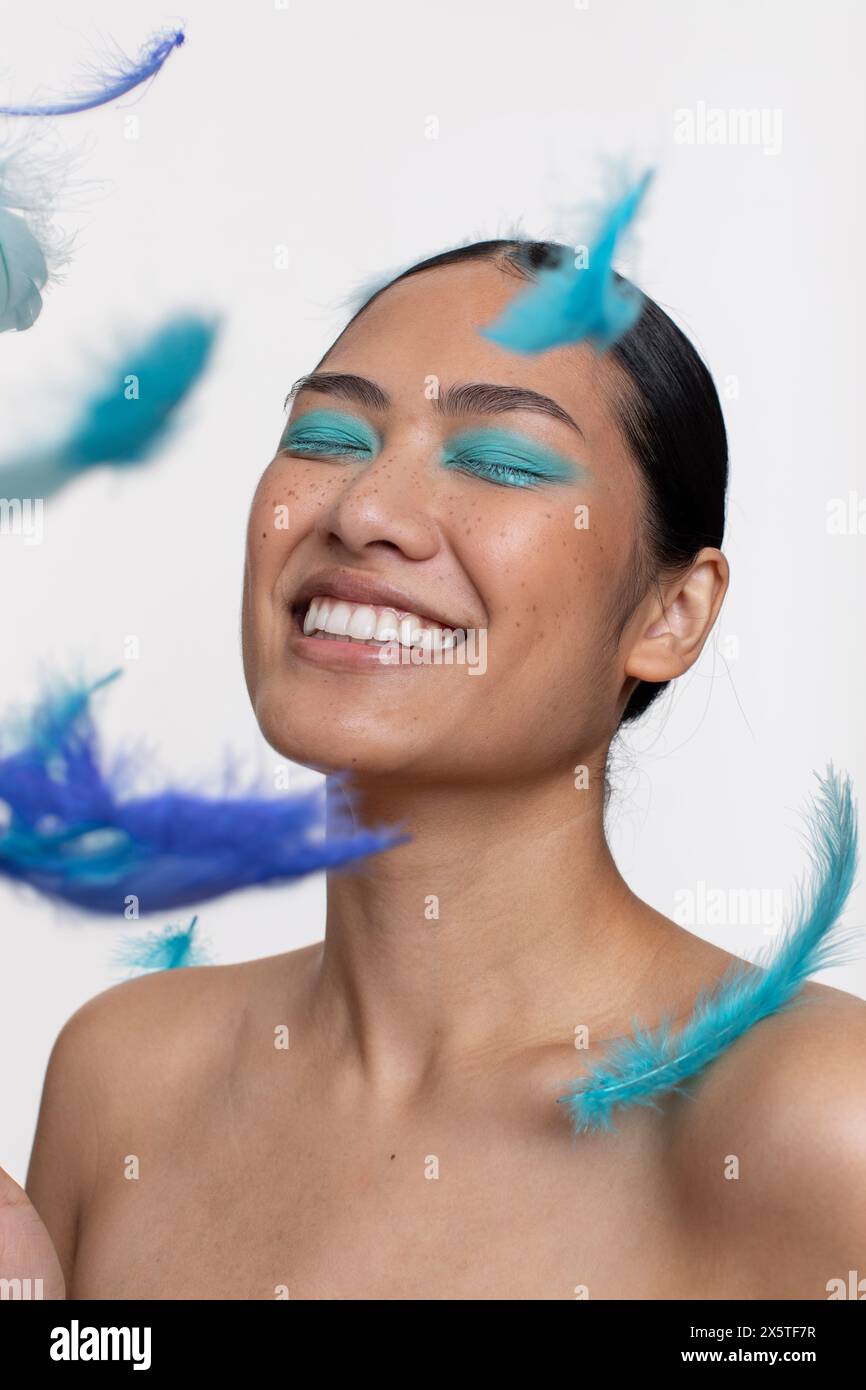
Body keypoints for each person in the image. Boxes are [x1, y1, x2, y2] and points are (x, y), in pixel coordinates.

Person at [6, 241, 866, 1299]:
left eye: (500, 460)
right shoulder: (122, 1079)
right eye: (325, 435)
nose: (360, 510)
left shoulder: (815, 1119)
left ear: (669, 614)